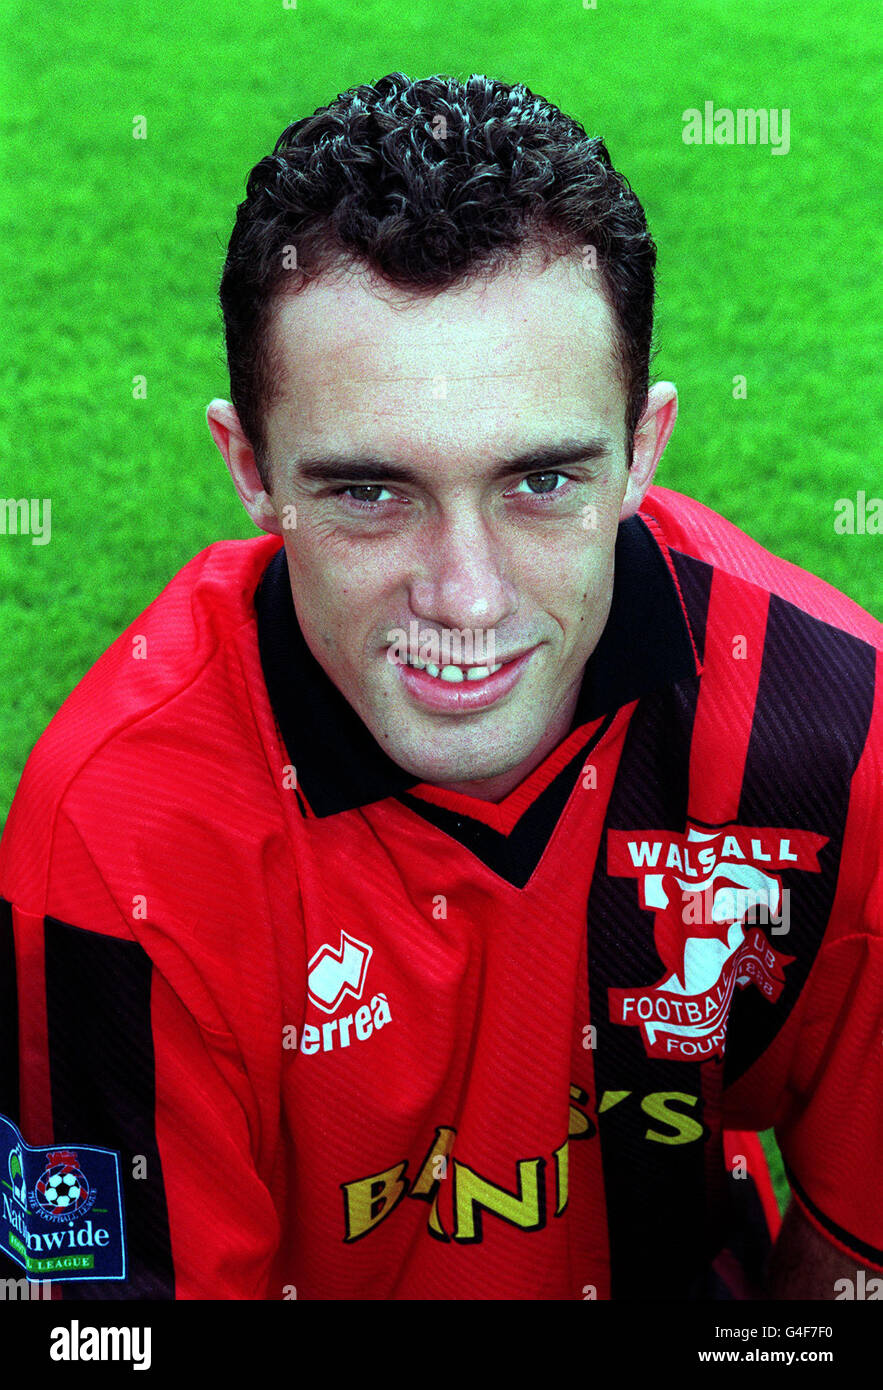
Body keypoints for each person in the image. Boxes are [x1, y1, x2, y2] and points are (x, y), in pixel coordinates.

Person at [1, 72, 880, 1301]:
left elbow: (863, 1247)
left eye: (542, 483)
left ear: (643, 450)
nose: (465, 599)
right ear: (252, 471)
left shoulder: (833, 728)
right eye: (370, 492)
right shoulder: (122, 838)